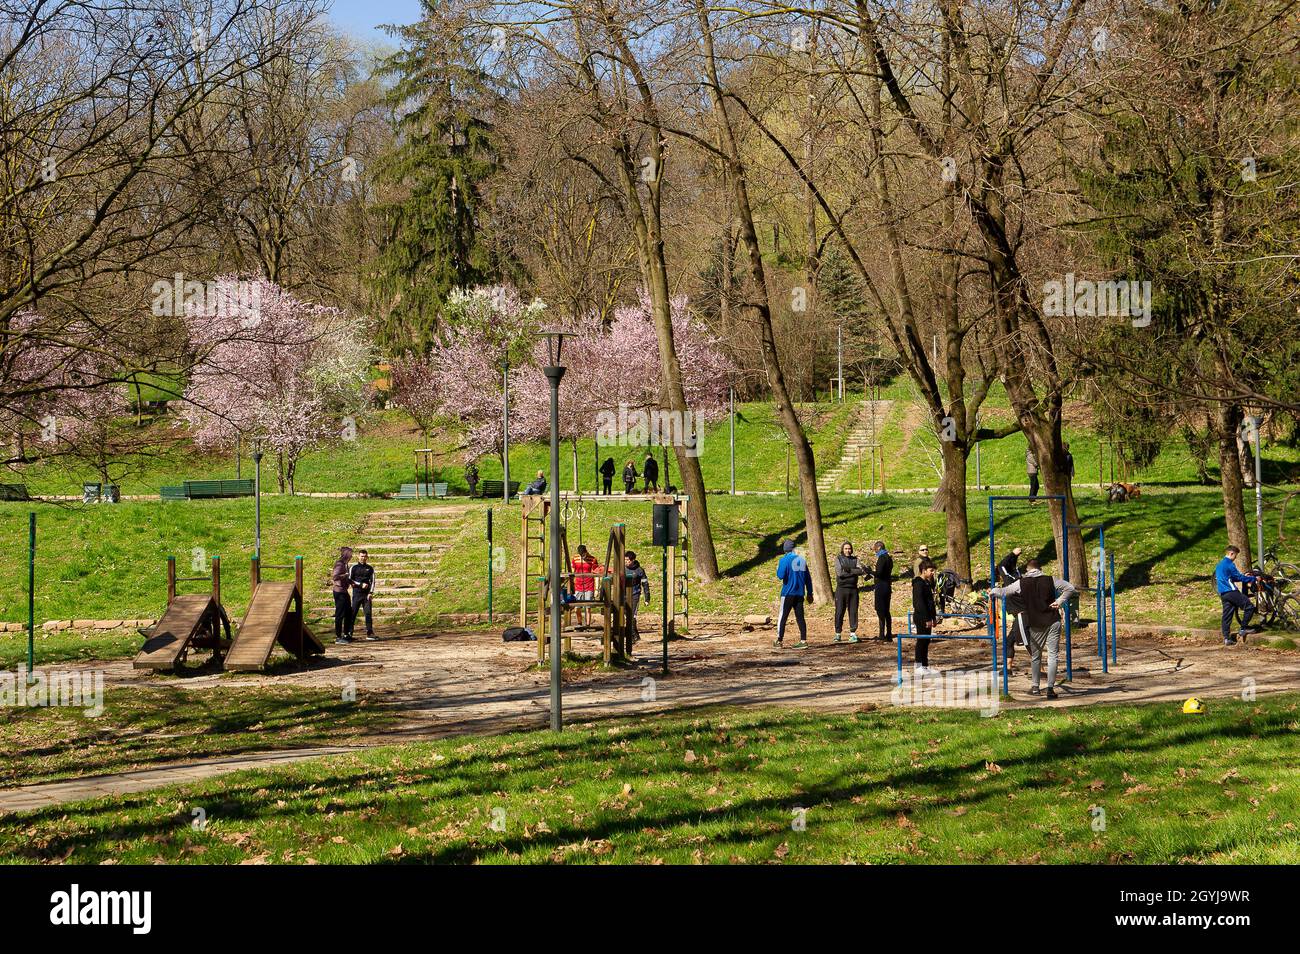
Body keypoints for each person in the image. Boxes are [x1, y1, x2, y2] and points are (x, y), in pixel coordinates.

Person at [986, 558, 1076, 698]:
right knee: (1053, 655)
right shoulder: (1051, 580)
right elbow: (1070, 588)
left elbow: (1004, 592)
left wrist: (992, 591)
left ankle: (1035, 687)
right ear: (1040, 569)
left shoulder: (1022, 583)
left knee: (1036, 656)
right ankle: (1050, 689)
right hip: (1053, 621)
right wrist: (1059, 601)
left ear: (1027, 570)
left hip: (1036, 623)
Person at [1215, 545, 1259, 645]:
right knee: (1249, 607)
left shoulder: (1219, 565)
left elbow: (1230, 578)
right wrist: (1254, 579)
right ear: (1231, 553)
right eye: (1235, 555)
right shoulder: (1229, 564)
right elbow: (1239, 577)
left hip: (1223, 593)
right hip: (1231, 591)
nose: (1235, 558)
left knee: (1227, 615)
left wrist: (1244, 576)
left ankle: (1226, 638)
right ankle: (1243, 628)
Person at [774, 538, 813, 648]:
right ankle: (803, 641)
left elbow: (780, 576)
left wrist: (778, 569)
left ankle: (779, 640)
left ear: (785, 549)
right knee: (800, 617)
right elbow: (808, 579)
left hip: (788, 593)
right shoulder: (801, 560)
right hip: (800, 594)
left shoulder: (784, 560)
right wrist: (810, 593)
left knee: (783, 616)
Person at [833, 541, 871, 643]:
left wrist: (849, 570)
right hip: (841, 589)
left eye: (849, 548)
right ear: (842, 549)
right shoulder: (838, 559)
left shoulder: (855, 559)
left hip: (853, 589)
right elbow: (840, 573)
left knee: (853, 611)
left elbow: (861, 571)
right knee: (839, 611)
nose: (848, 550)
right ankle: (838, 633)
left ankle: (853, 634)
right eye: (846, 548)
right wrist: (854, 572)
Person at [997, 546, 1027, 667]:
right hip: (1020, 616)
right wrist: (1014, 558)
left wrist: (1013, 554)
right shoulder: (1017, 578)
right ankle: (1008, 668)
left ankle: (1041, 670)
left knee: (1028, 643)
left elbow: (1001, 566)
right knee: (1009, 641)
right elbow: (1009, 567)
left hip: (1022, 616)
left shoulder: (1011, 581)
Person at [912, 559, 939, 675]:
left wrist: (933, 617)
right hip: (921, 617)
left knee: (926, 641)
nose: (933, 573)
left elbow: (930, 602)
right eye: (931, 571)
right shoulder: (918, 584)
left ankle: (925, 665)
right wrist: (926, 618)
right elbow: (919, 603)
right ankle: (918, 665)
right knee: (921, 641)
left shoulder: (927, 583)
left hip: (928, 616)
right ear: (923, 571)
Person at [348, 548, 377, 640]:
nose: (363, 558)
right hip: (356, 594)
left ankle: (370, 632)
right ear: (358, 556)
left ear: (367, 557)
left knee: (368, 614)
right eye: (361, 556)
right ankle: (349, 632)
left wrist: (371, 593)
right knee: (353, 613)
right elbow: (349, 580)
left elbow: (373, 581)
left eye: (365, 556)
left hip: (366, 595)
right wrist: (360, 584)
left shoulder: (370, 568)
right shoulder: (353, 567)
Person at [623, 550, 650, 644]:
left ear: (633, 560)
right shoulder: (622, 569)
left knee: (632, 617)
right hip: (624, 596)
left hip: (635, 595)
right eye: (625, 560)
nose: (626, 562)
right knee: (627, 616)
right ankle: (635, 635)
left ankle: (632, 637)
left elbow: (645, 584)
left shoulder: (639, 570)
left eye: (628, 560)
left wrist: (647, 598)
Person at [870, 540, 894, 642]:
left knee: (880, 610)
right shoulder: (888, 558)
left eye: (875, 549)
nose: (874, 551)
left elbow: (879, 573)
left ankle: (882, 634)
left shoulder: (882, 558)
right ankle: (888, 633)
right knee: (886, 611)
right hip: (887, 586)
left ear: (879, 548)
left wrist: (869, 571)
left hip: (881, 586)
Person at [571, 544, 600, 627]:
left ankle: (587, 625)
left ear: (586, 552)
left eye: (583, 554)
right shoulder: (575, 559)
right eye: (581, 555)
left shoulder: (593, 559)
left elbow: (596, 574)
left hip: (589, 585)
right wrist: (572, 586)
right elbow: (572, 572)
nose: (582, 556)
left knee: (588, 607)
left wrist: (596, 589)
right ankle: (579, 624)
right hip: (578, 586)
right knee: (577, 608)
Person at [330, 546, 353, 644]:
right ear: (346, 555)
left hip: (344, 591)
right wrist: (345, 575)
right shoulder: (339, 564)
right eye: (350, 554)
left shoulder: (345, 564)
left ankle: (346, 634)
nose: (351, 556)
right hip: (339, 592)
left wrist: (353, 582)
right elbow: (335, 577)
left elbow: (346, 578)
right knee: (340, 614)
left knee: (348, 612)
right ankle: (338, 636)